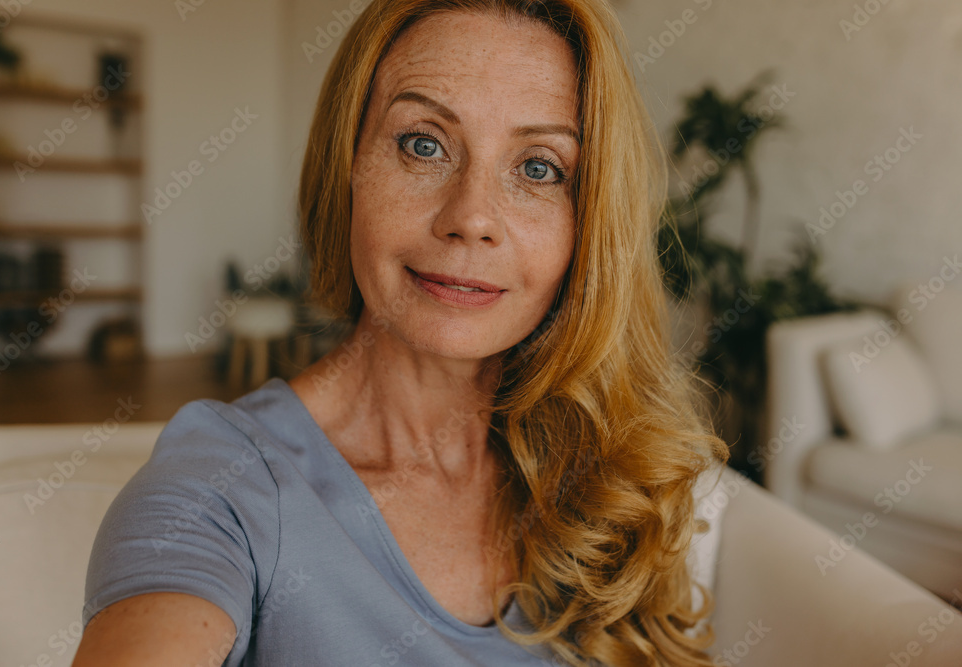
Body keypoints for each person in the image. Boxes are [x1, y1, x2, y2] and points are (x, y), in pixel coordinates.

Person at [72, 0, 728, 665]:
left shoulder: (607, 474)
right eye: (423, 143)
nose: (471, 216)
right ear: (347, 165)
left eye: (538, 168)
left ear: (587, 222)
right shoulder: (221, 488)